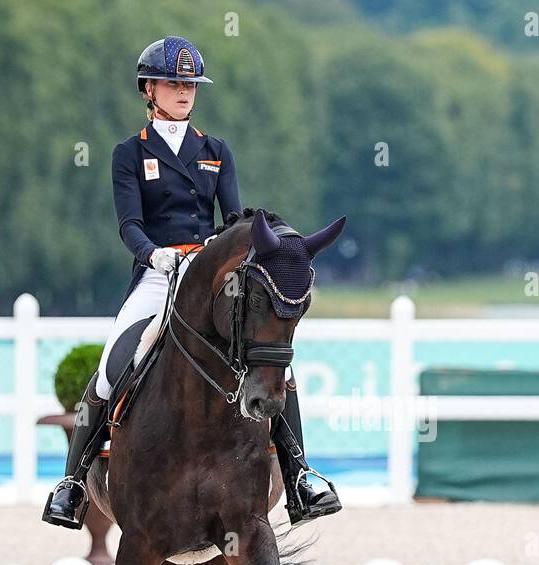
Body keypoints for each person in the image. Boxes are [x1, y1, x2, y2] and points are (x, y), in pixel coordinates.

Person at [42, 36, 340, 530]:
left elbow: (235, 218)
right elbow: (129, 224)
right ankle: (72, 485)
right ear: (149, 89)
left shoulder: (215, 151)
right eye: (174, 83)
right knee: (112, 364)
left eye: (191, 85)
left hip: (208, 278)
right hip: (157, 276)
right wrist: (152, 254)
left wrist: (225, 257)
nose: (185, 92)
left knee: (275, 368)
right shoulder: (129, 154)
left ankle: (300, 475)